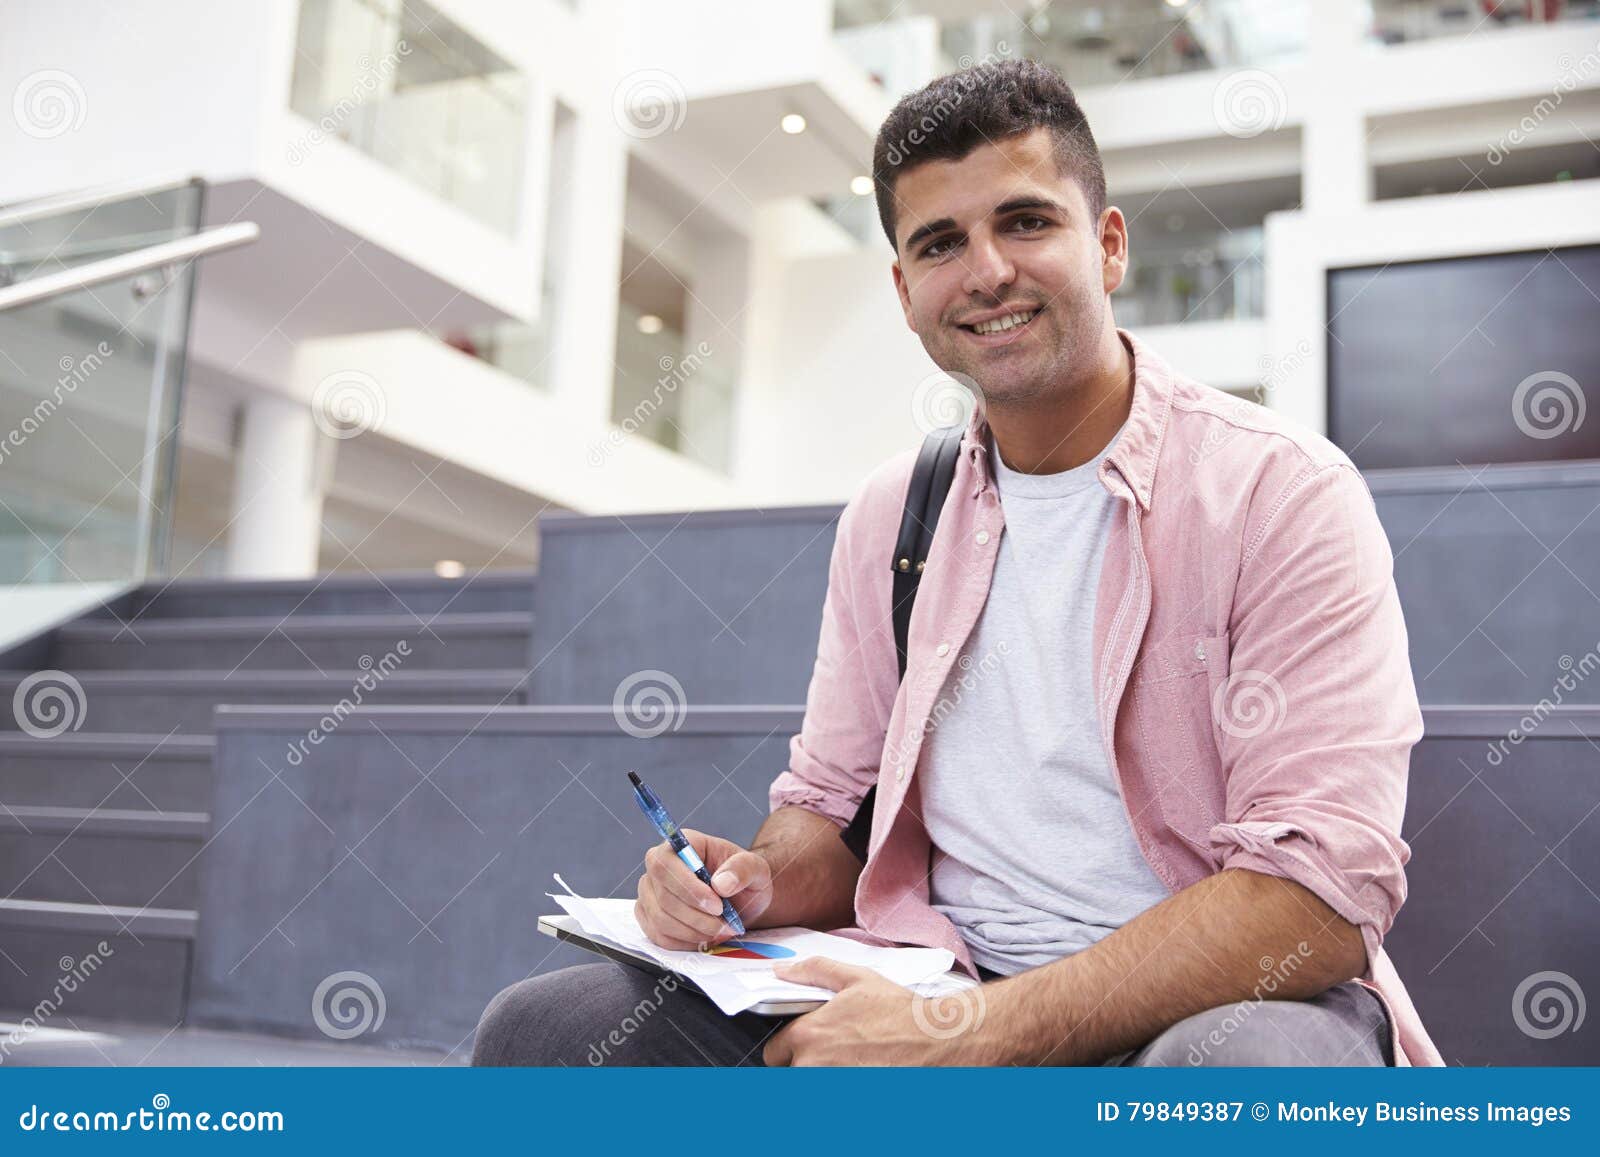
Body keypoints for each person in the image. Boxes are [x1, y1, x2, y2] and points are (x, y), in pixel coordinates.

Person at [472, 58, 1441, 1068]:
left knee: (1241, 1075)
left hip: (1191, 1006)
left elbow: (1320, 897)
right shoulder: (896, 514)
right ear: (904, 291)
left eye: (1024, 222)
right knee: (541, 1035)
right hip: (934, 972)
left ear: (1107, 246)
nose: (984, 271)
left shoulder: (1278, 491)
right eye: (941, 242)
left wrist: (978, 1032)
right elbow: (830, 812)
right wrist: (751, 881)